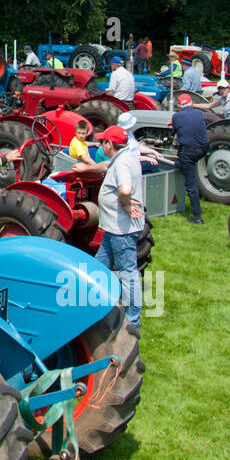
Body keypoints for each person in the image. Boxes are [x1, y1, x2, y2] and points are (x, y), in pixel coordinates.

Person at [94, 126, 144, 329]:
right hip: (113, 230)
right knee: (96, 268)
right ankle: (95, 309)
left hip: (121, 231)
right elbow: (108, 167)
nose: (100, 144)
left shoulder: (122, 163)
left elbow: (125, 188)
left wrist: (124, 203)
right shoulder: (128, 156)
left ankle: (132, 319)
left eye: (103, 141)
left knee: (128, 273)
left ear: (110, 144)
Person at [171, 92, 210, 223]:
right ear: (191, 103)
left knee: (191, 183)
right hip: (204, 148)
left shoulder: (176, 116)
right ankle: (181, 165)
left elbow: (174, 132)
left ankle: (197, 217)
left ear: (179, 105)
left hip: (190, 152)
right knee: (183, 158)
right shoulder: (199, 114)